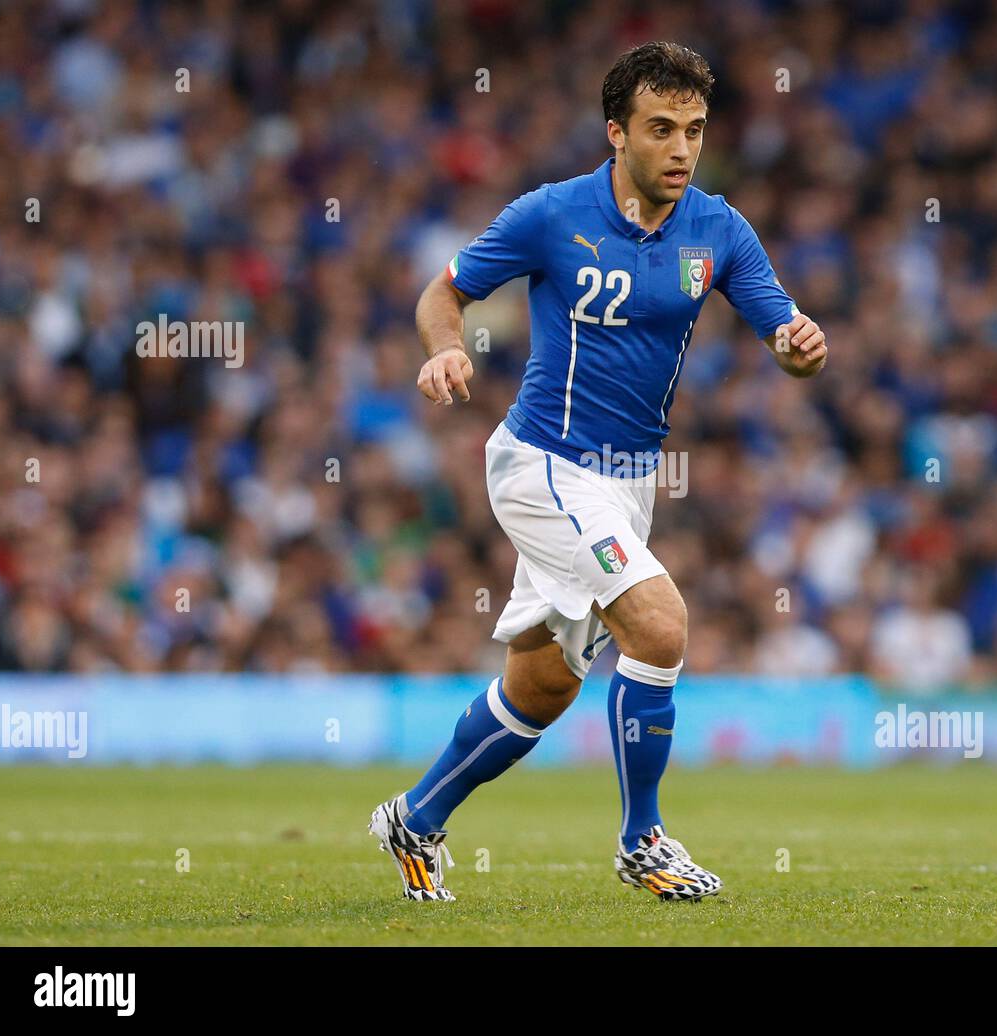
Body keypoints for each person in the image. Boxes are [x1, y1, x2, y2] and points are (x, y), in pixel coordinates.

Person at [369, 41, 827, 902]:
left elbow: (787, 339)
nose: (683, 148)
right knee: (659, 625)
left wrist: (801, 348)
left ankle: (415, 816)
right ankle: (643, 840)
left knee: (541, 687)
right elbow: (445, 294)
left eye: (694, 129)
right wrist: (441, 352)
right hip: (541, 465)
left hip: (627, 483)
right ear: (617, 133)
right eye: (662, 129)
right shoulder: (552, 214)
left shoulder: (720, 229)